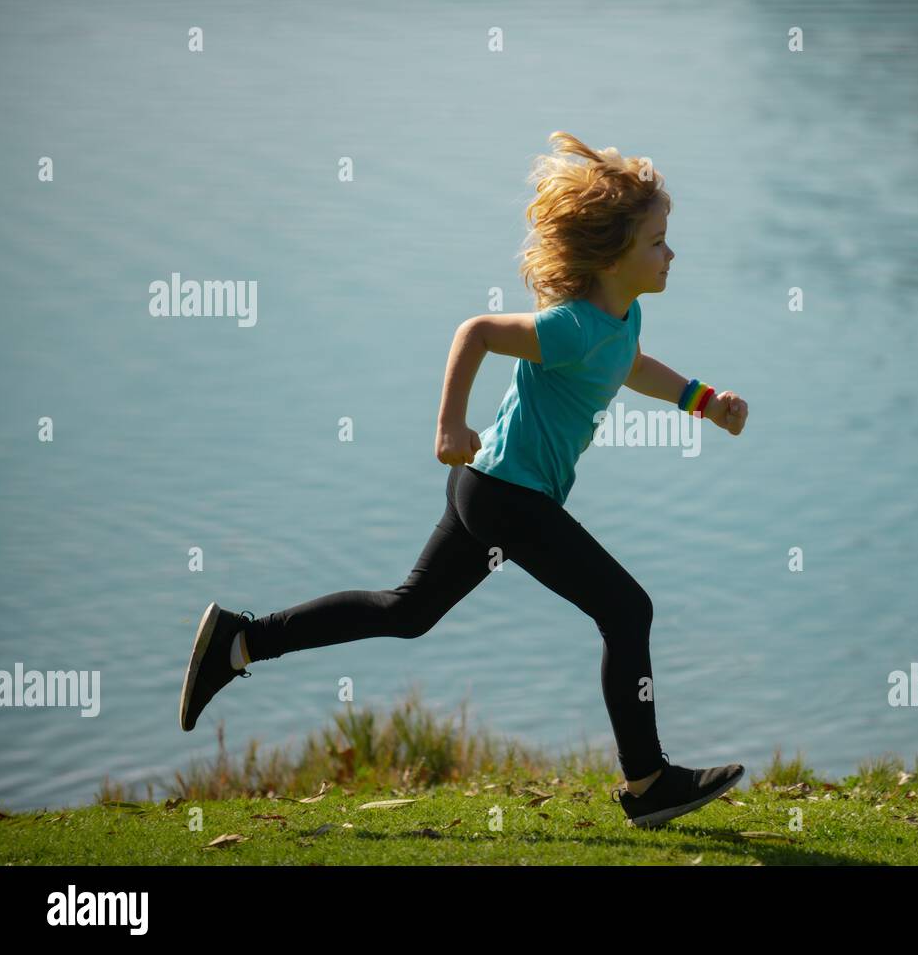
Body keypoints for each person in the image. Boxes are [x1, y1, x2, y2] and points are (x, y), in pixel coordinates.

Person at [178, 131, 750, 829]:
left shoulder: (620, 317)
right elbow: (475, 331)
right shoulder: (569, 326)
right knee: (627, 611)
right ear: (612, 256)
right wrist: (449, 425)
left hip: (493, 492)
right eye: (657, 241)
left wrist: (702, 400)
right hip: (508, 498)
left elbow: (628, 364)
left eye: (667, 238)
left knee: (407, 611)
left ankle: (239, 641)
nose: (670, 253)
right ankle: (648, 782)